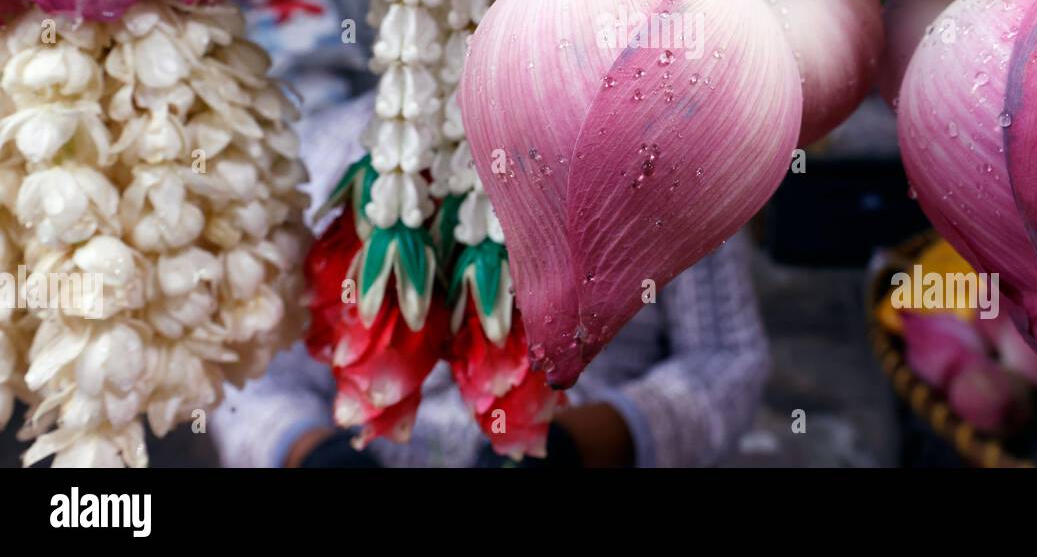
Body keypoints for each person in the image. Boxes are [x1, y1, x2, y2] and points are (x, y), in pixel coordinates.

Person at [210, 94, 772, 468]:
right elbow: (249, 381)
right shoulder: (323, 153)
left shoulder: (660, 162)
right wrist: (310, 452)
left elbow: (725, 360)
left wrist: (585, 442)